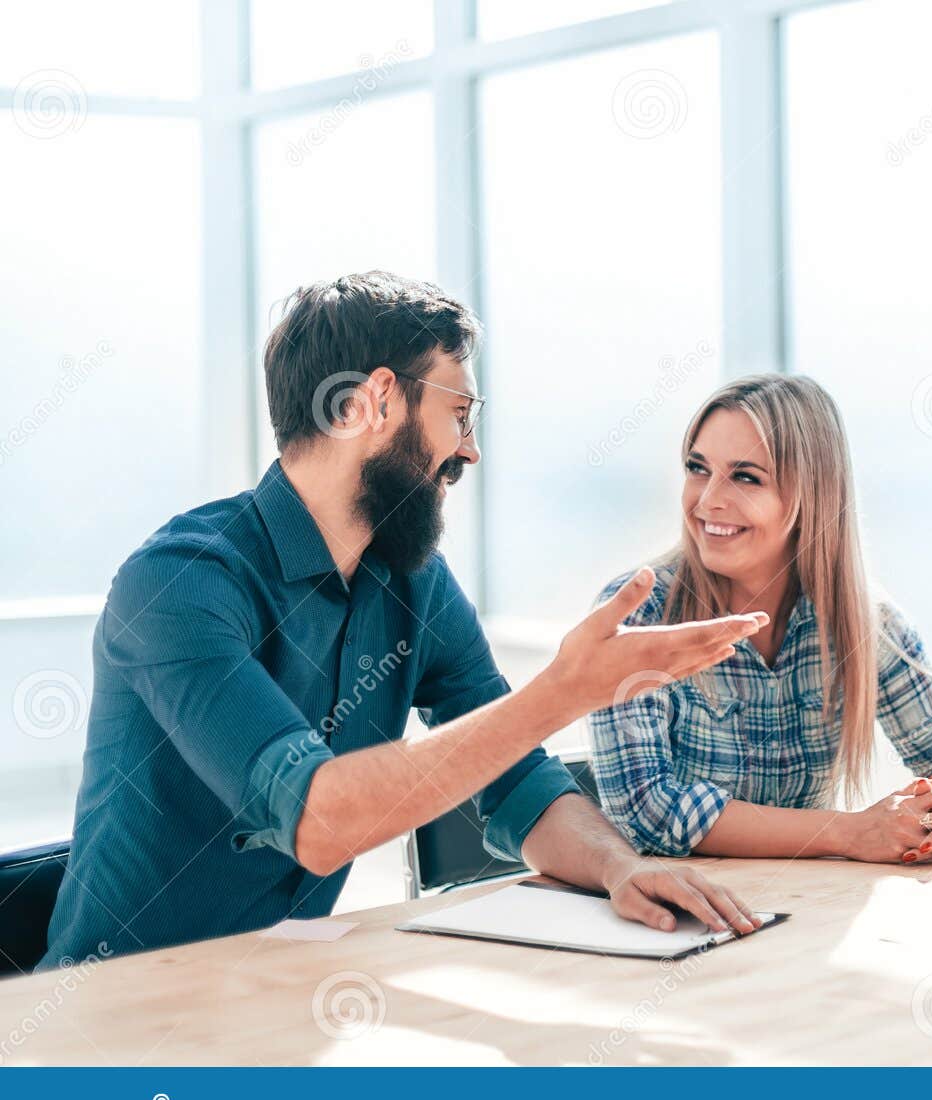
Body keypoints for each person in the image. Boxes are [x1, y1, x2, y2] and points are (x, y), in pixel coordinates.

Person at [43, 272, 767, 967]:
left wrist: (618, 868)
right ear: (375, 402)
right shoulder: (178, 585)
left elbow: (514, 778)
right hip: (109, 1021)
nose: (470, 449)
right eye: (459, 414)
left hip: (275, 991)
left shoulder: (414, 581)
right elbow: (319, 821)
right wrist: (564, 691)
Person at [586, 374, 932, 865]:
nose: (706, 501)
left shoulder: (861, 622)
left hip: (803, 910)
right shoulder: (638, 612)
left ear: (813, 495)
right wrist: (850, 833)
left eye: (746, 477)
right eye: (697, 468)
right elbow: (648, 812)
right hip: (669, 917)